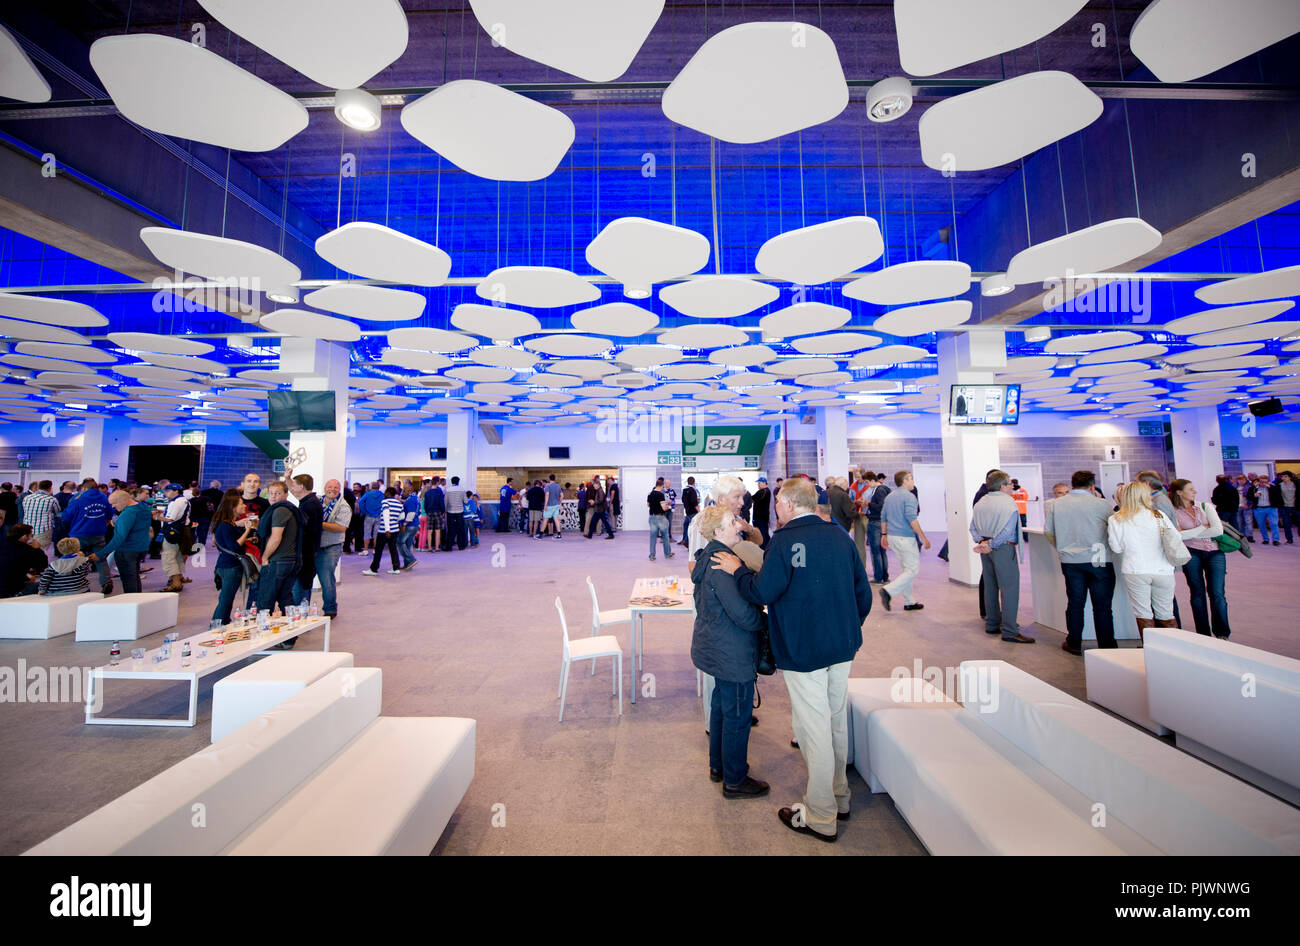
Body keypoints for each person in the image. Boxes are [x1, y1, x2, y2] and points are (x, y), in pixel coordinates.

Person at [711, 478, 872, 842]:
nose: (776, 508)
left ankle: (820, 815)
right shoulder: (839, 538)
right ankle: (840, 796)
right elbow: (863, 595)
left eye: (778, 502)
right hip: (842, 647)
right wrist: (846, 628)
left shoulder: (784, 541)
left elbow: (764, 590)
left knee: (813, 731)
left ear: (787, 503)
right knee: (834, 724)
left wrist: (737, 570)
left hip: (804, 651)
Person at [690, 504, 769, 799]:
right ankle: (735, 779)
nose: (740, 524)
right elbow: (743, 616)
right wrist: (764, 619)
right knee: (737, 714)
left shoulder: (708, 556)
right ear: (718, 532)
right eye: (733, 521)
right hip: (731, 651)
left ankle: (718, 766)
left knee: (722, 707)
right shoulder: (723, 565)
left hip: (714, 647)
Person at [1044, 471, 1117, 654]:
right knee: (1102, 606)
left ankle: (1074, 642)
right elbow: (1114, 530)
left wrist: (1062, 548)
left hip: (1070, 560)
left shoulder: (1057, 504)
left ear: (1072, 484)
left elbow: (1049, 532)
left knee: (1075, 603)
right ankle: (1107, 645)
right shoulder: (1101, 504)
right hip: (1099, 559)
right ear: (1092, 486)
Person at [1107, 482, 1179, 639]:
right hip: (1163, 569)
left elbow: (1116, 548)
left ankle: (1150, 650)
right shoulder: (1158, 515)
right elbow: (1176, 537)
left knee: (1143, 613)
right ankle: (1171, 650)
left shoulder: (1116, 519)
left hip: (1135, 569)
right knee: (1166, 612)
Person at [971, 470, 1034, 644]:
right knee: (1009, 589)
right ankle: (1010, 630)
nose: (1012, 487)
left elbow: (973, 527)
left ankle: (992, 624)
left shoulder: (981, 502)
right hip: (1003, 549)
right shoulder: (1009, 503)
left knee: (990, 587)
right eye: (1010, 484)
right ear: (1002, 486)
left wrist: (983, 542)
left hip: (986, 550)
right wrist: (991, 544)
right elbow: (1007, 531)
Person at [1170, 478, 1230, 640]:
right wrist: (1203, 528)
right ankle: (1203, 633)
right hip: (1191, 553)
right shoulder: (1173, 511)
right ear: (1179, 492)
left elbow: (1217, 531)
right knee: (1197, 593)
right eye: (1190, 489)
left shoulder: (1205, 507)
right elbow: (1177, 535)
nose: (1194, 491)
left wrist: (1190, 532)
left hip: (1215, 552)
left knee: (1217, 593)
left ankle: (1222, 633)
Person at [879, 471, 928, 612]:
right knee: (912, 570)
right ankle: (888, 591)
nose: (913, 482)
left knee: (906, 569)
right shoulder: (909, 497)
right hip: (905, 538)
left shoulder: (890, 497)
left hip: (893, 537)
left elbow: (883, 517)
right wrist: (924, 538)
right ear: (905, 481)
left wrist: (884, 534)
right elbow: (912, 519)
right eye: (911, 479)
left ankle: (909, 602)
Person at [90, 489, 151, 595]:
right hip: (141, 549)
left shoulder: (128, 513)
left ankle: (131, 605)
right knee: (134, 578)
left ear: (123, 500)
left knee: (129, 581)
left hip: (126, 551)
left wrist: (100, 554)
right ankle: (138, 604)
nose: (113, 507)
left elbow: (119, 538)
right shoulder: (144, 508)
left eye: (114, 503)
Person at [210, 490, 256, 626]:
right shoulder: (225, 525)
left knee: (226, 598)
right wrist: (248, 530)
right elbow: (234, 546)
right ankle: (216, 625)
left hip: (226, 565)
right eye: (241, 504)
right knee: (226, 599)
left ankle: (222, 622)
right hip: (230, 566)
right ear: (233, 507)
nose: (244, 506)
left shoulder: (227, 524)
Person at [256, 480, 302, 613]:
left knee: (265, 601)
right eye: (271, 493)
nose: (273, 496)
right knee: (285, 598)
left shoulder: (280, 510)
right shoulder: (289, 509)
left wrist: (265, 557)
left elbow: (276, 537)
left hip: (278, 561)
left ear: (286, 495)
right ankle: (292, 631)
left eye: (278, 493)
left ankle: (264, 631)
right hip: (289, 560)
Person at [64, 479, 113, 594]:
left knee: (75, 558)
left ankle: (73, 583)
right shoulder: (104, 497)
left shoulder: (77, 499)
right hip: (98, 533)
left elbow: (66, 516)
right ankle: (106, 582)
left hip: (79, 533)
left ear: (84, 488)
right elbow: (110, 514)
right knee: (100, 559)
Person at [315, 479, 351, 617]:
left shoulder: (343, 506)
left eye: (336, 487)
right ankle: (301, 608)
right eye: (330, 487)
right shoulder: (317, 501)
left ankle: (330, 609)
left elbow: (341, 527)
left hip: (331, 546)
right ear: (324, 488)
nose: (333, 489)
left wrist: (319, 523)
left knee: (326, 577)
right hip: (314, 545)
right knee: (303, 579)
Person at [289, 474, 324, 605]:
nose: (292, 488)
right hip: (309, 550)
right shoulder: (309, 501)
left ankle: (300, 615)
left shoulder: (308, 505)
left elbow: (306, 531)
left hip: (306, 552)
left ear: (301, 487)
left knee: (301, 585)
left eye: (294, 485)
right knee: (302, 584)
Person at [159, 483, 193, 593]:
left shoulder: (176, 503)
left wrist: (156, 516)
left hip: (173, 532)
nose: (166, 493)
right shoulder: (184, 500)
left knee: (169, 557)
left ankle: (175, 583)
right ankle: (178, 579)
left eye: (168, 491)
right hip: (182, 530)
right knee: (178, 556)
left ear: (176, 491)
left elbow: (170, 519)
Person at [364, 486, 405, 575]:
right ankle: (396, 568)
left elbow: (386, 515)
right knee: (393, 549)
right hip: (395, 530)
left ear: (387, 493)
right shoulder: (399, 504)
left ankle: (373, 569)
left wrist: (387, 530)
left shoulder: (385, 502)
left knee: (378, 550)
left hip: (384, 531)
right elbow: (401, 517)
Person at [0, 524, 48, 598]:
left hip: (4, 586)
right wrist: (37, 549)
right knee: (44, 585)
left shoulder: (2, 543)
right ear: (24, 536)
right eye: (30, 536)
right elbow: (42, 565)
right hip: (14, 590)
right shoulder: (26, 550)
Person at [865, 473, 890, 584]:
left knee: (876, 552)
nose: (866, 484)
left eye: (867, 482)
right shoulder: (883, 489)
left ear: (871, 480)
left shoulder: (879, 490)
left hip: (876, 523)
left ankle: (878, 577)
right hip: (881, 523)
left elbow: (881, 506)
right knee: (882, 551)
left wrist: (869, 504)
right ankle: (884, 576)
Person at [21, 480, 60, 550]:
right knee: (41, 550)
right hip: (43, 528)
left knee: (27, 549)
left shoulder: (27, 498)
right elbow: (57, 512)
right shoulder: (51, 499)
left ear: (38, 487)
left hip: (27, 528)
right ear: (50, 488)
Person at [1247, 473, 1282, 546]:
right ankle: (1265, 539)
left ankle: (1276, 539)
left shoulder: (1273, 487)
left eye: (1265, 482)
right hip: (1259, 508)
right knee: (1261, 524)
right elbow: (1248, 496)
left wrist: (1271, 488)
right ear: (1258, 481)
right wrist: (1254, 495)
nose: (1263, 484)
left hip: (1271, 508)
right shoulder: (1254, 488)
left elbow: (1278, 497)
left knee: (1274, 524)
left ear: (1268, 482)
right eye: (1261, 482)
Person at [647, 478, 675, 561]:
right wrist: (668, 506)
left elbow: (648, 505)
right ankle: (667, 554)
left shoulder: (650, 494)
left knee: (653, 538)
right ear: (662, 485)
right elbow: (664, 508)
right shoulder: (660, 495)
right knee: (665, 537)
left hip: (652, 517)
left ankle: (652, 556)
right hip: (661, 518)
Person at [398, 480, 420, 569]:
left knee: (399, 542)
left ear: (409, 490)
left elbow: (411, 513)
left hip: (409, 525)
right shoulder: (415, 499)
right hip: (414, 524)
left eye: (404, 490)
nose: (403, 493)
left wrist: (404, 524)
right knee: (408, 544)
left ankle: (411, 560)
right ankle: (408, 564)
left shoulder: (411, 500)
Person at [360, 481, 386, 552]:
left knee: (367, 533)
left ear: (371, 487)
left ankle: (365, 550)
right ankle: (375, 550)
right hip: (379, 515)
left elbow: (360, 501)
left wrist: (364, 510)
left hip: (368, 515)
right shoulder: (381, 494)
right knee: (376, 534)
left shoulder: (368, 494)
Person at [445, 476, 468, 550]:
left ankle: (449, 546)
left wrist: (445, 511)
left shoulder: (448, 490)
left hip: (450, 512)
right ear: (458, 481)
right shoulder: (462, 490)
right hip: (459, 511)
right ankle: (461, 546)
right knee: (460, 529)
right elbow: (466, 501)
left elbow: (445, 502)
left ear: (451, 482)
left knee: (450, 529)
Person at [422, 477, 446, 551]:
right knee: (438, 530)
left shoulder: (427, 492)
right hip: (438, 511)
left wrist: (427, 511)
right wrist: (443, 511)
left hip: (429, 512)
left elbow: (425, 504)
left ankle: (429, 547)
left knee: (429, 531)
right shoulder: (439, 492)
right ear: (437, 483)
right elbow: (441, 503)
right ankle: (437, 547)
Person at [198, 480, 224, 545]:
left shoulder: (204, 492)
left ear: (211, 485)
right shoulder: (221, 493)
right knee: (216, 527)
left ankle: (202, 542)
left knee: (204, 528)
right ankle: (215, 540)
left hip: (205, 512)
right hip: (216, 512)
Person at [1276, 470, 1298, 544]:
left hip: (1296, 506)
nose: (1283, 478)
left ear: (1290, 477)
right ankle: (1289, 539)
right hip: (1284, 507)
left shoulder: (1296, 484)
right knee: (1286, 524)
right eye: (1282, 476)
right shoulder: (1279, 485)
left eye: (1286, 476)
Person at [747, 476, 769, 548]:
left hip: (760, 517)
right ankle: (767, 547)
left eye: (759, 483)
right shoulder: (767, 491)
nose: (758, 485)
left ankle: (763, 549)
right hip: (764, 517)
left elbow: (751, 499)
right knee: (765, 533)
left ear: (763, 483)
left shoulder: (762, 492)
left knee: (761, 534)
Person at [541, 474, 563, 539]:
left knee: (545, 519)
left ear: (549, 478)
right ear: (555, 478)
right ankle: (559, 534)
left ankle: (540, 534)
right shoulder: (558, 486)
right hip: (556, 505)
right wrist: (559, 502)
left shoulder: (547, 486)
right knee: (556, 520)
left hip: (549, 505)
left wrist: (545, 504)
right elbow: (562, 495)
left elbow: (547, 494)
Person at [343, 482, 362, 553]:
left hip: (358, 516)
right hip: (350, 515)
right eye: (354, 487)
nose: (355, 489)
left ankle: (358, 547)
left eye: (357, 487)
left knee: (358, 532)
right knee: (348, 532)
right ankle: (347, 548)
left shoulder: (362, 495)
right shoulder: (350, 494)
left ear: (360, 488)